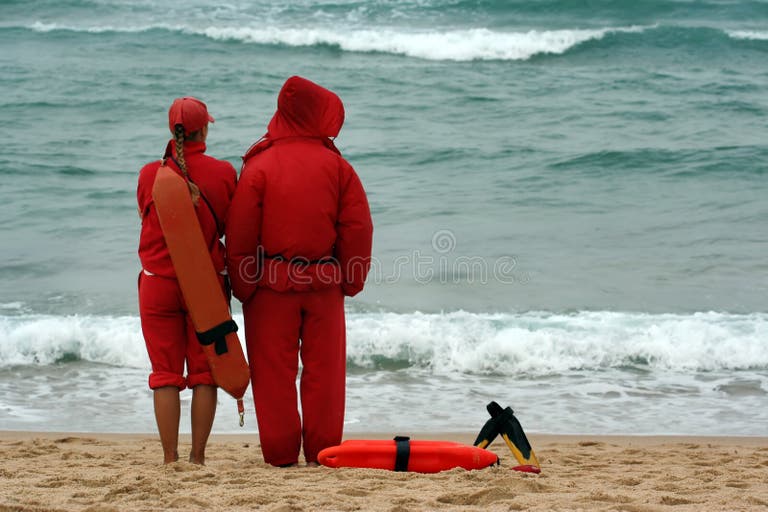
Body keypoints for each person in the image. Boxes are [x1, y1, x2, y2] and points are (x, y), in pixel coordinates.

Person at [226, 76, 373, 467]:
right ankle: (323, 452)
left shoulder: (258, 165)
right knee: (325, 373)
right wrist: (351, 279)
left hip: (271, 287)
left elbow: (240, 233)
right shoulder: (338, 166)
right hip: (324, 285)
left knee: (273, 372)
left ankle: (279, 454)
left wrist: (244, 286)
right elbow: (357, 228)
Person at [136, 97, 237, 464]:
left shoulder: (150, 175)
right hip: (204, 286)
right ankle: (197, 457)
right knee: (204, 372)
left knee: (164, 373)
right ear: (205, 129)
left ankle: (168, 459)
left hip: (157, 284)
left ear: (171, 130)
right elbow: (229, 227)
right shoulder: (224, 173)